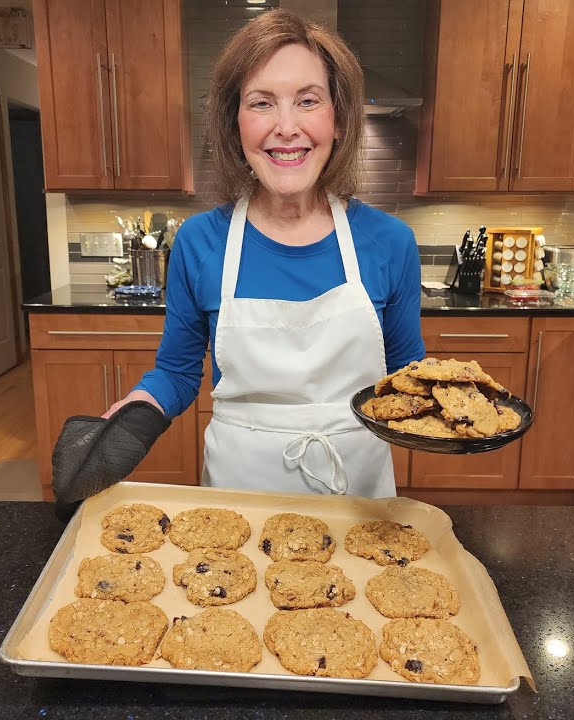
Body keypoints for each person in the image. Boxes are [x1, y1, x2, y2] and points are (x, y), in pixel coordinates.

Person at [103, 9, 425, 498]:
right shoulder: (199, 242)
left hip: (358, 494)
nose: (286, 127)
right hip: (238, 494)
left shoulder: (390, 242)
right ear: (235, 126)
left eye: (308, 101)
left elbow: (408, 376)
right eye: (262, 103)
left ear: (338, 120)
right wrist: (128, 418)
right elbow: (176, 370)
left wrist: (463, 409)